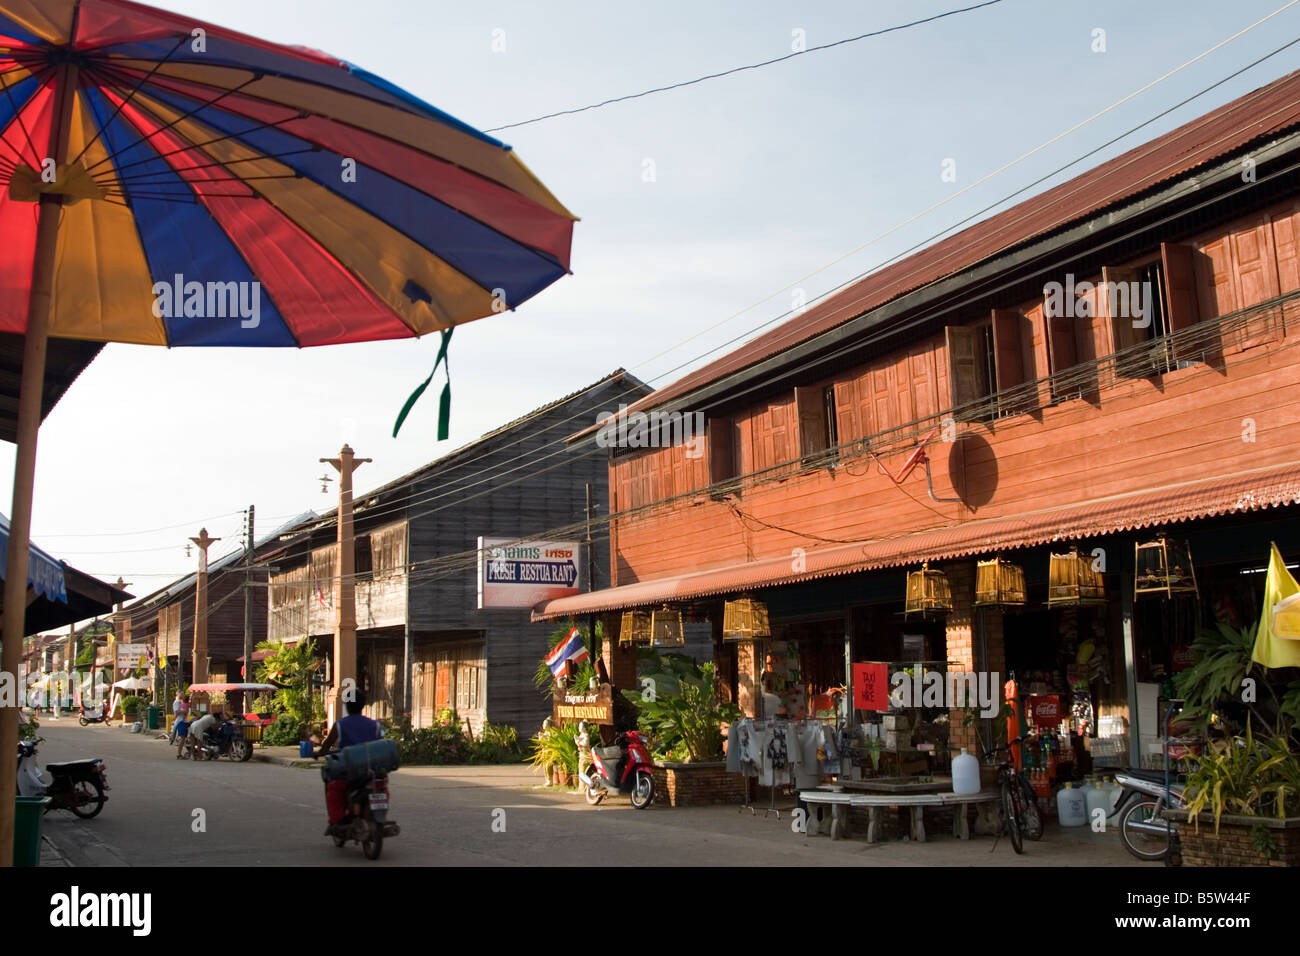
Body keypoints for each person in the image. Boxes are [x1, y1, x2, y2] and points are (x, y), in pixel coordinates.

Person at [317, 691, 381, 834]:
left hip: (348, 772)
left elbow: (327, 745)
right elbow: (379, 744)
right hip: (369, 771)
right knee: (381, 786)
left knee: (334, 789)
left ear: (347, 705)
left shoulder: (340, 725)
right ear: (363, 705)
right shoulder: (374, 725)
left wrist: (319, 753)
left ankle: (337, 821)